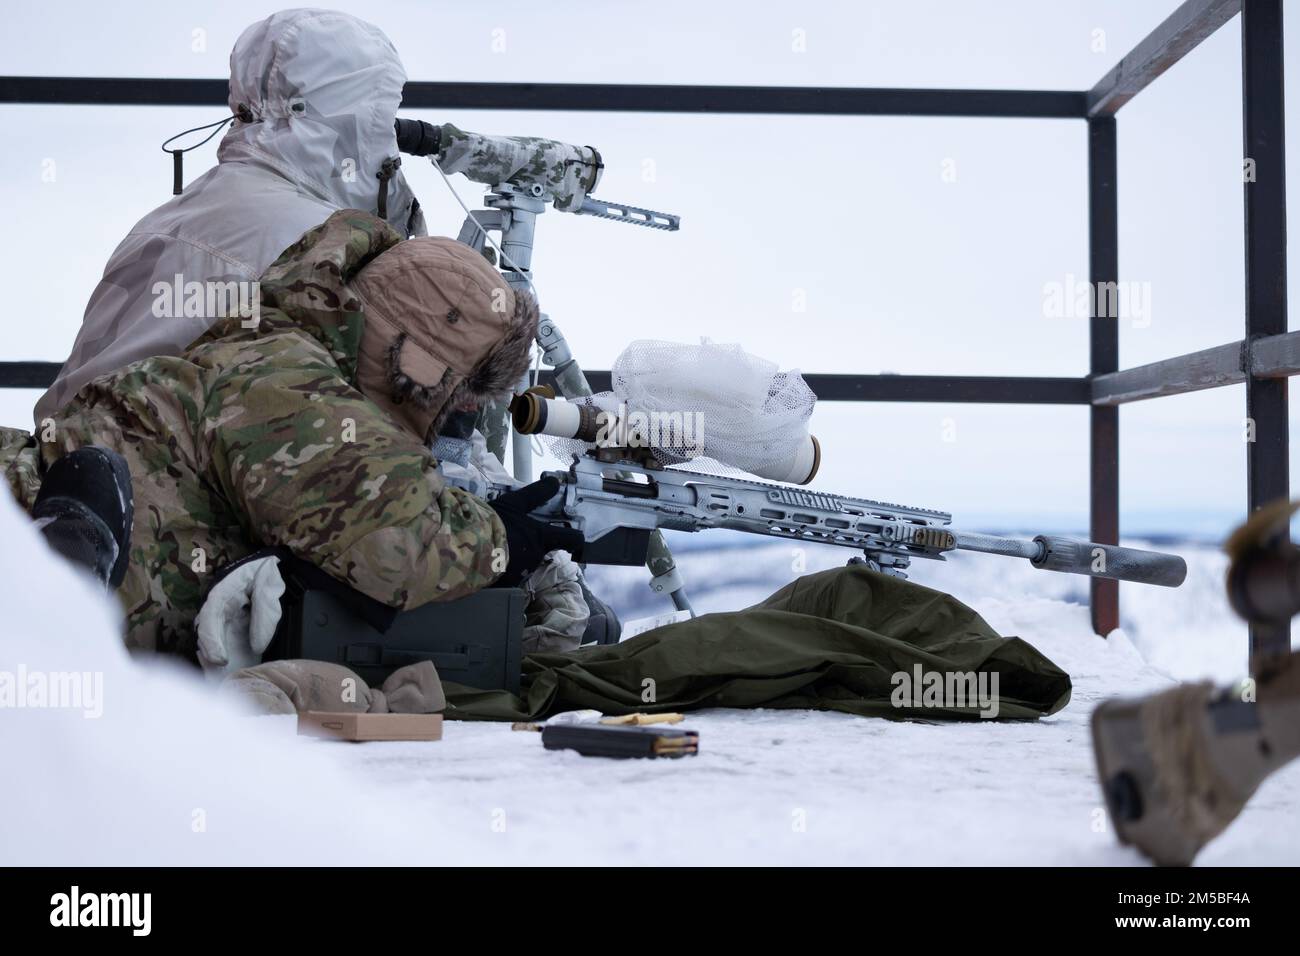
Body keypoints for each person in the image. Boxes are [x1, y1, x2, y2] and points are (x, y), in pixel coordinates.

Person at [2, 210, 580, 664]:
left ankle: (54, 591)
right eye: (461, 394)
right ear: (415, 365)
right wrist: (505, 537)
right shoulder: (292, 380)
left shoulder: (284, 353)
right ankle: (51, 594)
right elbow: (400, 542)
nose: (462, 414)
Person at [34, 8, 424, 424]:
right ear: (352, 121)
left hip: (84, 472)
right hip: (213, 483)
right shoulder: (323, 241)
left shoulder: (173, 217)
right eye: (383, 116)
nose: (393, 136)